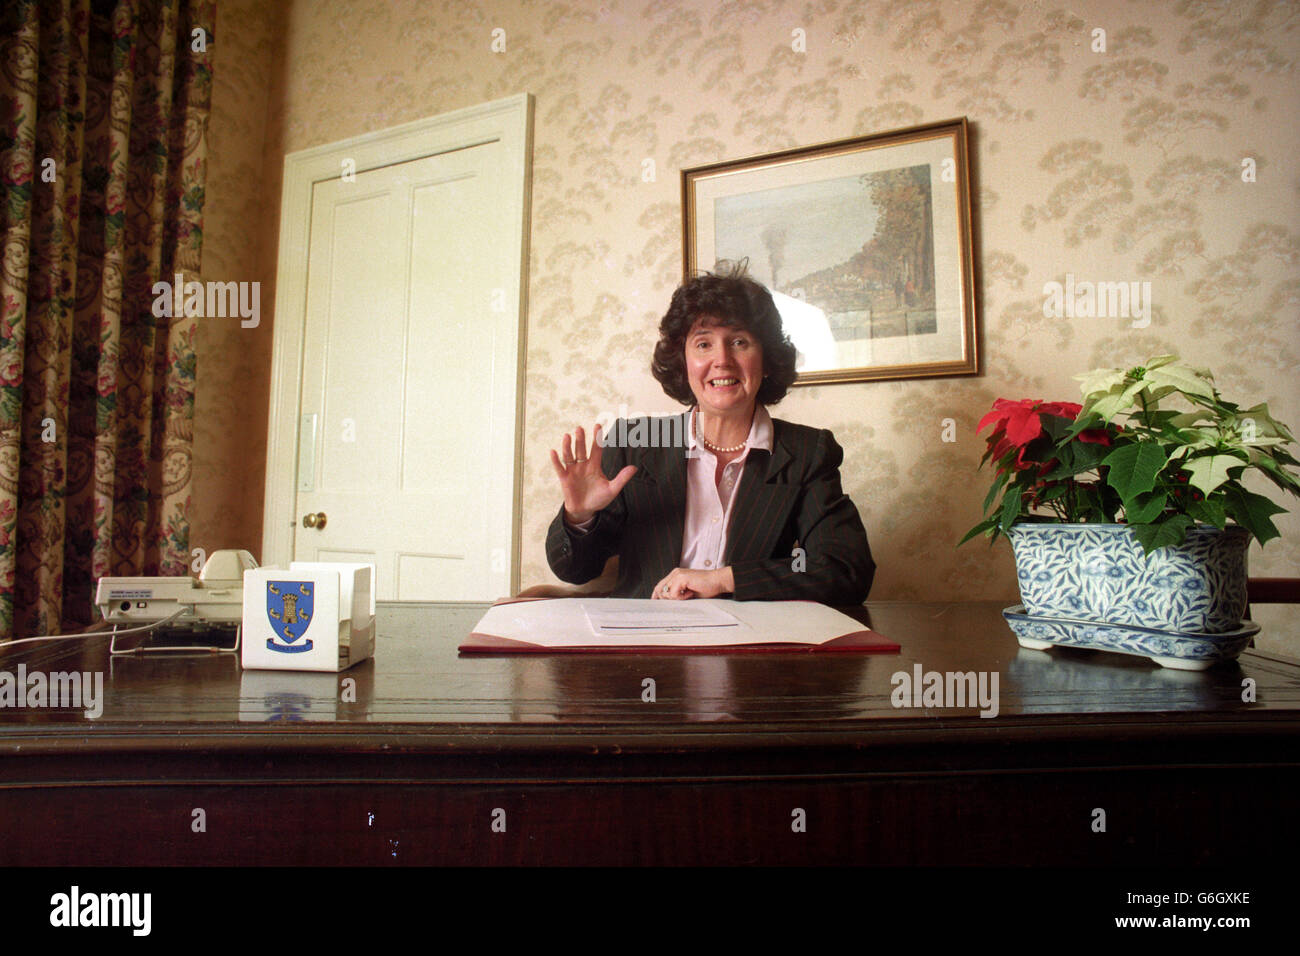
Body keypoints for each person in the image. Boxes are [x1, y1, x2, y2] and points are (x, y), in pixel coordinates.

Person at [545, 266, 875, 604]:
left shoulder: (807, 453)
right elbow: (574, 570)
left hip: (748, 648)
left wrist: (724, 579)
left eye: (739, 342)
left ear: (766, 359)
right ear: (682, 361)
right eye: (703, 344)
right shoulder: (635, 441)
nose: (722, 360)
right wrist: (580, 517)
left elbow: (847, 572)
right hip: (645, 646)